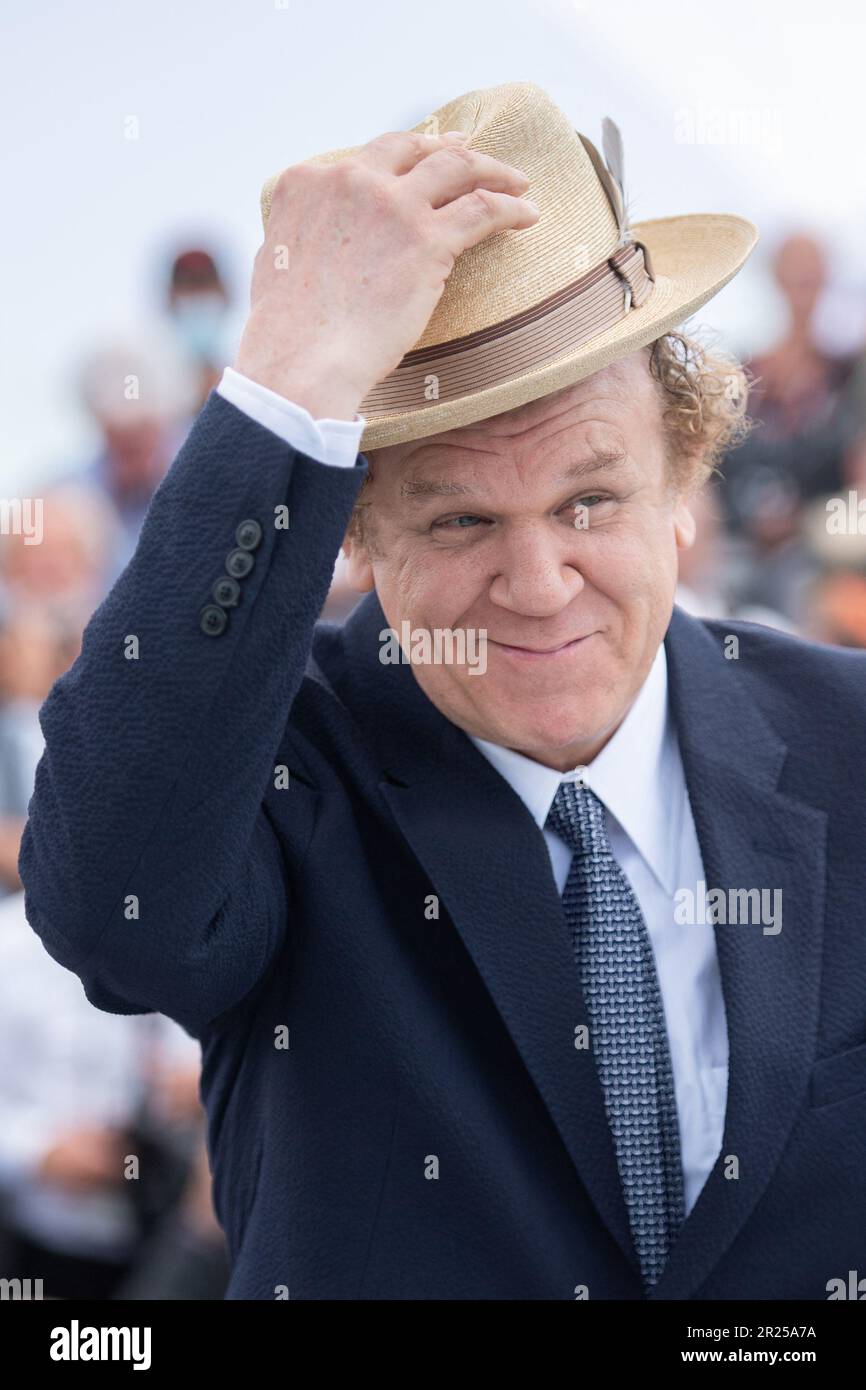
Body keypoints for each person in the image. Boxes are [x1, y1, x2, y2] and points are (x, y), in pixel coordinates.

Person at [20, 81, 866, 1301]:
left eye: (589, 501)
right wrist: (283, 377)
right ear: (355, 532)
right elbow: (111, 909)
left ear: (686, 477)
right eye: (461, 517)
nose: (535, 583)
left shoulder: (847, 739)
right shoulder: (275, 774)